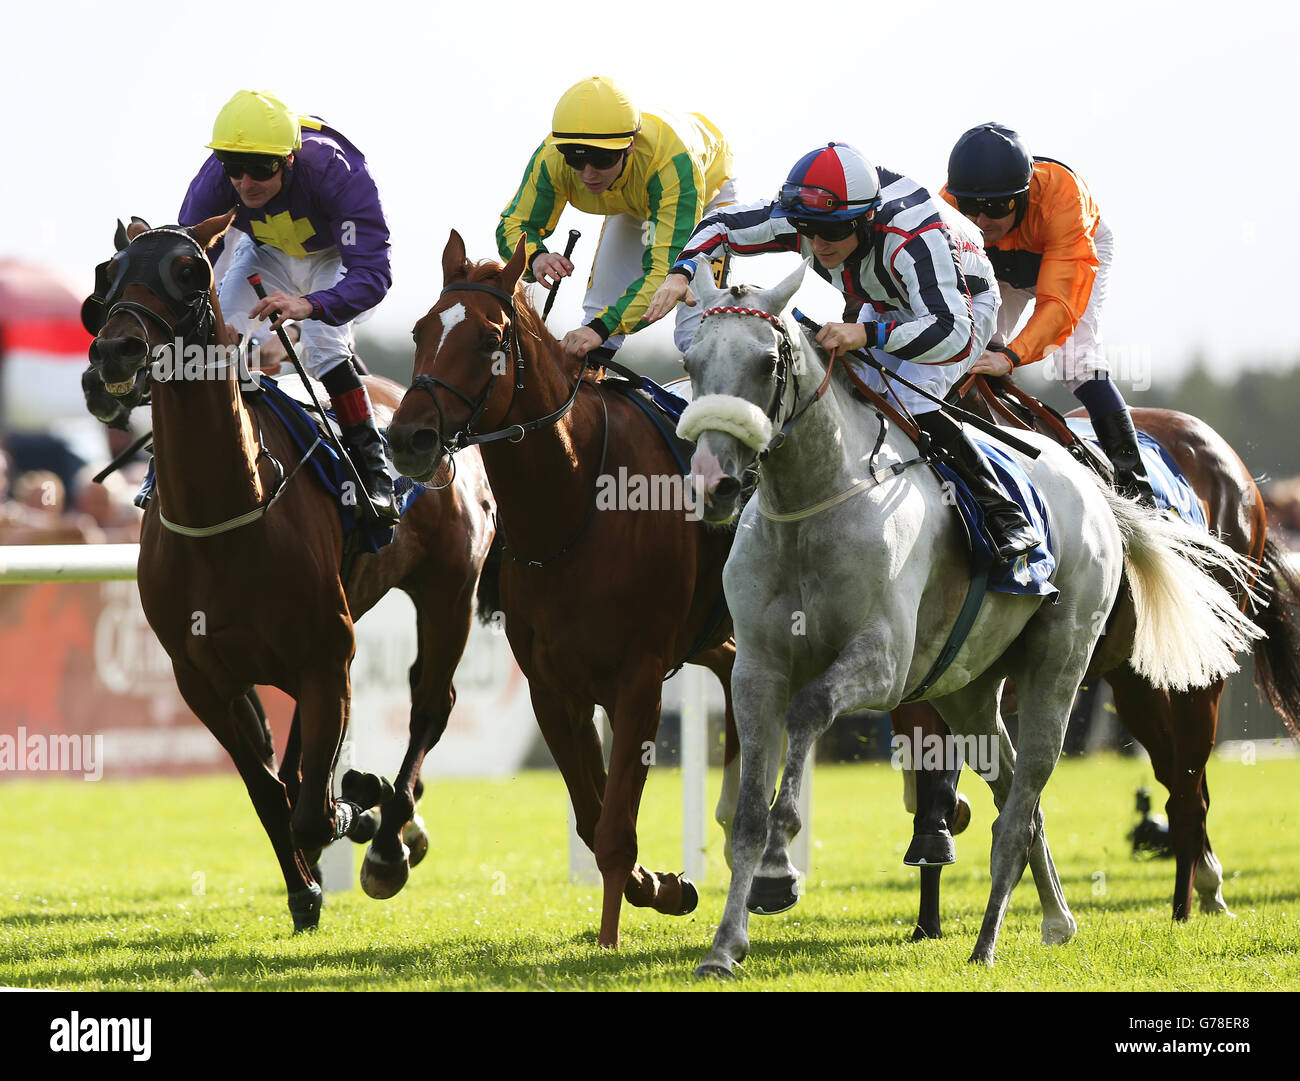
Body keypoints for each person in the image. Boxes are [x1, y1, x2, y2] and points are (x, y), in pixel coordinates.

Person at [646, 142, 1039, 562]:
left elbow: (951, 331)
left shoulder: (913, 236)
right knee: (841, 394)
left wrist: (868, 334)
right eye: (805, 227)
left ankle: (1004, 513)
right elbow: (722, 223)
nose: (817, 243)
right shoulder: (810, 218)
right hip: (885, 297)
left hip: (960, 308)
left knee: (907, 401)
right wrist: (681, 270)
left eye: (832, 232)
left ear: (866, 218)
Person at [178, 89, 399, 523]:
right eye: (234, 168)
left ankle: (372, 471)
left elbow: (373, 276)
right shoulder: (215, 179)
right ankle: (172, 457)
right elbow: (188, 260)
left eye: (260, 169)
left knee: (323, 344)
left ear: (289, 159)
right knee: (211, 339)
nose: (245, 183)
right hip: (265, 253)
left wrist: (311, 305)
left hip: (333, 257)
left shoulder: (339, 171)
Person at [942, 122, 1154, 502]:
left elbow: (1057, 306)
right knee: (967, 349)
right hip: (998, 262)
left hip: (1066, 253)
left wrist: (1011, 356)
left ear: (1021, 197)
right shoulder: (948, 209)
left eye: (994, 207)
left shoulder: (1063, 201)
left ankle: (1136, 487)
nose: (979, 220)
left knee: (1075, 361)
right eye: (969, 207)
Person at [497, 75, 735, 361]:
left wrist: (602, 328)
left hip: (704, 197)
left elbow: (665, 275)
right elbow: (514, 224)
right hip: (632, 199)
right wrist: (535, 257)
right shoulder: (551, 157)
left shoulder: (672, 165)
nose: (588, 174)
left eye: (602, 159)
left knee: (695, 337)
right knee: (596, 313)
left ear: (630, 146)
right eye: (575, 158)